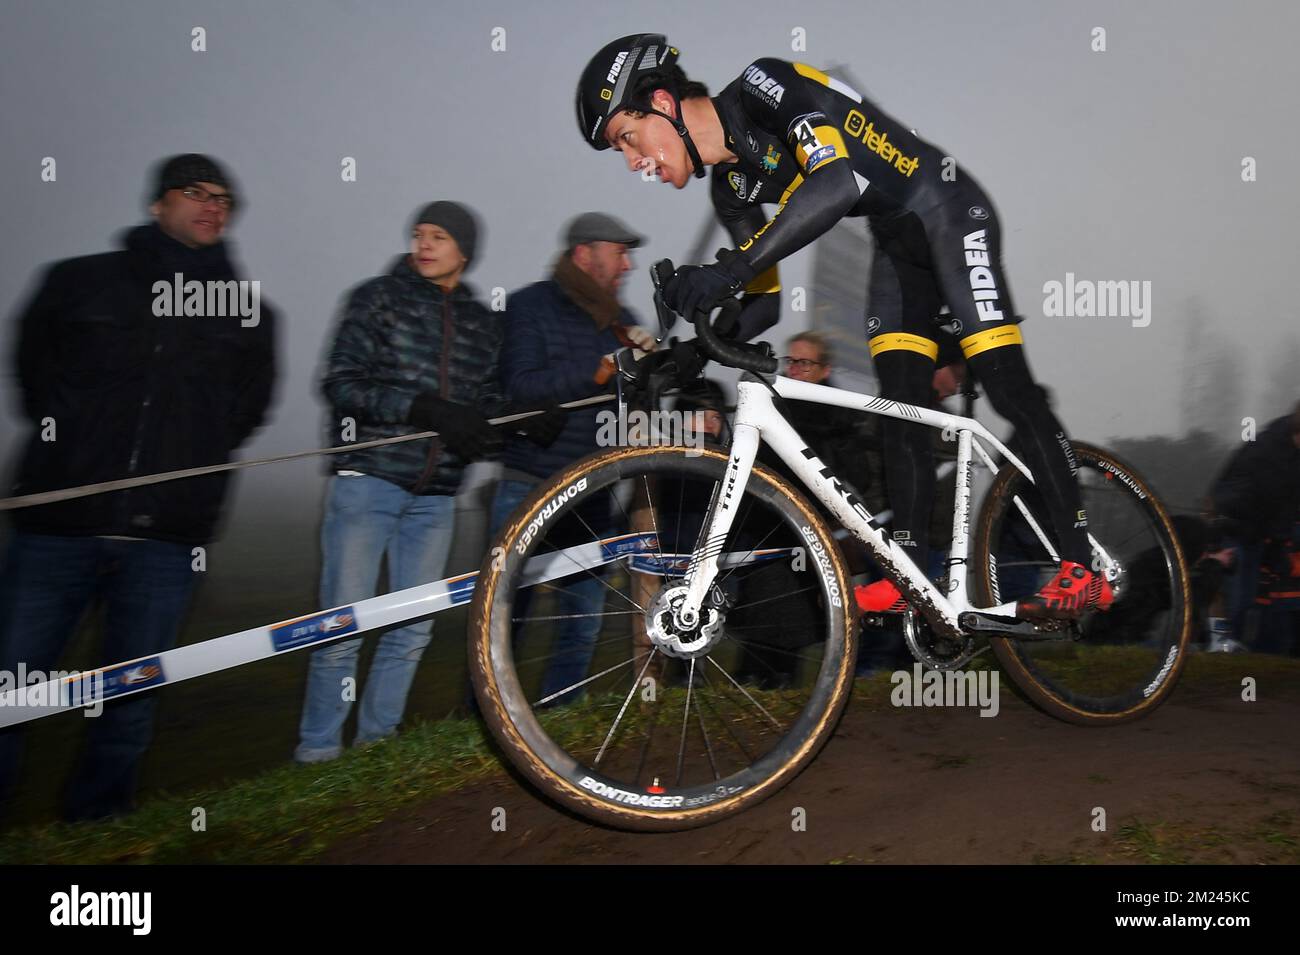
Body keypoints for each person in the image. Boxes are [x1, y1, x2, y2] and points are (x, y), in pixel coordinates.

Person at [575, 34, 1112, 621]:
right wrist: (690, 353)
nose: (633, 162)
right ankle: (910, 571)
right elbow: (764, 307)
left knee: (1008, 387)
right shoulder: (732, 187)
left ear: (663, 101)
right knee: (899, 407)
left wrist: (727, 270)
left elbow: (836, 183)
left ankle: (1081, 567)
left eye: (627, 137)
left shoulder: (761, 86)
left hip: (949, 213)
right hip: (897, 248)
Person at [0, 153, 278, 820]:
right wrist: (75, 448)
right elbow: (34, 372)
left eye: (224, 199)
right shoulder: (78, 281)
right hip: (57, 529)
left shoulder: (249, 312)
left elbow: (245, 410)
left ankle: (95, 833)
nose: (212, 205)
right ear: (158, 203)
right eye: (194, 193)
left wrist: (190, 454)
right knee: (13, 688)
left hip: (166, 541)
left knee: (130, 703)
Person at [295, 201, 503, 763]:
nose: (425, 244)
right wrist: (422, 407)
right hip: (368, 482)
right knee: (343, 625)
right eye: (419, 234)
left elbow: (485, 406)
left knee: (412, 627)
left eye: (439, 236)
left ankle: (374, 748)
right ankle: (316, 753)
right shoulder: (375, 298)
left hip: (437, 497)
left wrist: (506, 423)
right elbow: (340, 383)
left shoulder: (483, 323)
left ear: (465, 250)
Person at [488, 212, 654, 705]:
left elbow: (636, 417)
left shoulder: (626, 323)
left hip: (595, 492)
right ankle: (488, 725)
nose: (627, 265)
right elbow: (520, 389)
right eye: (620, 252)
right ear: (585, 253)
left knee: (581, 623)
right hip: (531, 483)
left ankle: (560, 724)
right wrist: (601, 369)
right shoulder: (528, 306)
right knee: (503, 621)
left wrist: (650, 373)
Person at [1210, 403, 1300, 655]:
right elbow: (1275, 502)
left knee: (1249, 597)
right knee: (1235, 595)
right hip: (1238, 526)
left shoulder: (1286, 448)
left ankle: (1232, 644)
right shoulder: (1272, 452)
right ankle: (1221, 645)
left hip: (1256, 530)